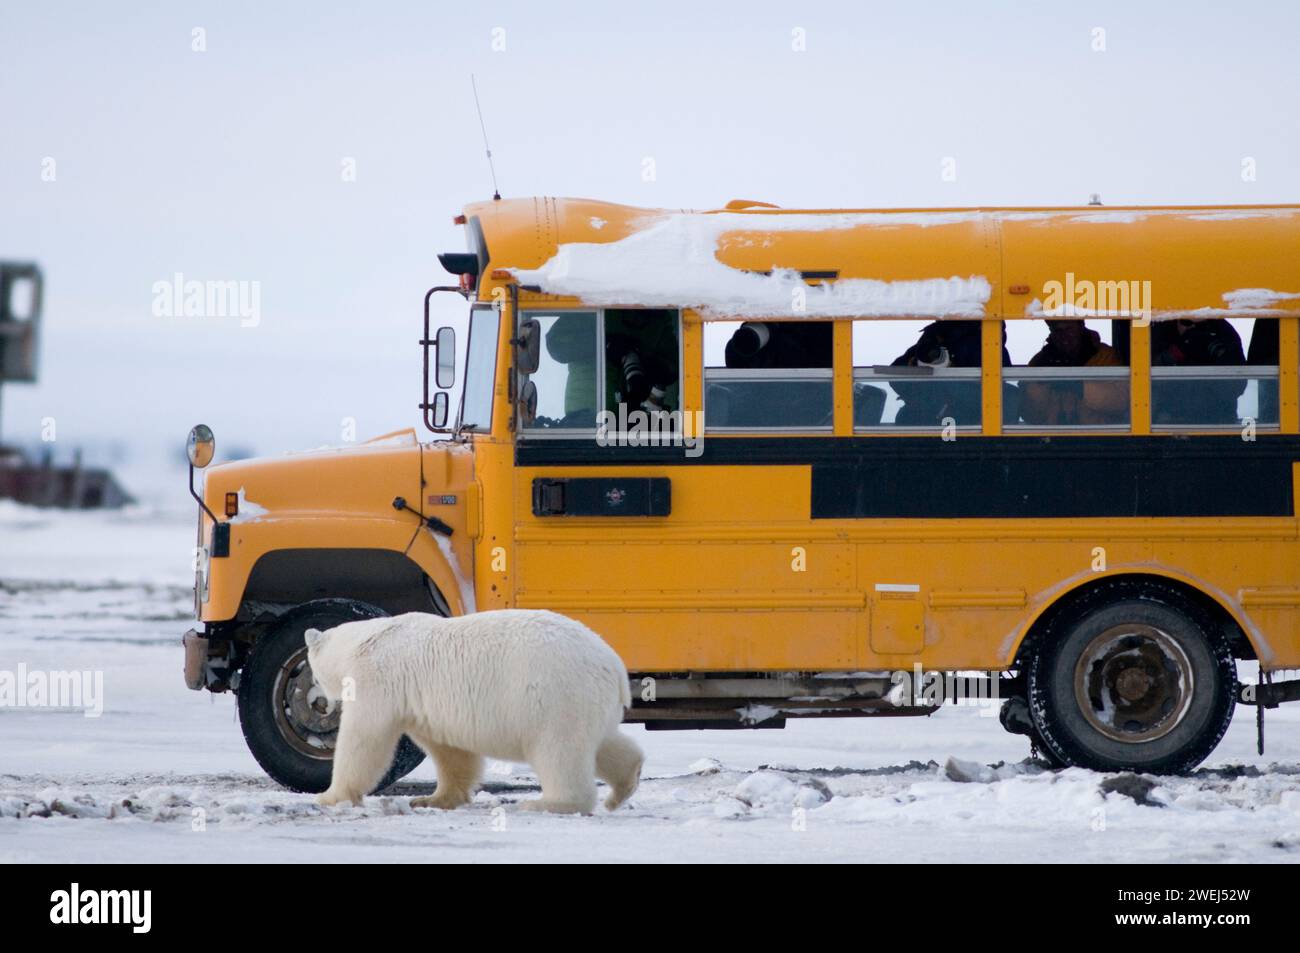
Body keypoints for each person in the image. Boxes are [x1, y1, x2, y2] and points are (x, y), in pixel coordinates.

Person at [890, 320, 1007, 427]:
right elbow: (894, 374)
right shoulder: (930, 340)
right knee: (906, 419)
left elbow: (1001, 381)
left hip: (966, 410)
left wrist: (953, 379)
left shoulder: (985, 344)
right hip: (930, 407)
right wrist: (914, 365)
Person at [1018, 320, 1126, 426]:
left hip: (1101, 436)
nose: (1064, 336)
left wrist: (1080, 387)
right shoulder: (1039, 362)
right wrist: (1042, 388)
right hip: (1053, 437)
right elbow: (1030, 415)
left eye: (1069, 329)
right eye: (1058, 330)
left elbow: (1121, 401)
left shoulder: (1106, 356)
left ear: (1081, 327)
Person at [1151, 318, 1246, 425]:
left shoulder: (1224, 333)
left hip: (1218, 421)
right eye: (1186, 322)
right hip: (1169, 421)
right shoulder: (1162, 333)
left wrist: (1217, 353)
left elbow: (1238, 385)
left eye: (1202, 326)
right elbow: (1146, 380)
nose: (1193, 329)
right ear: (1176, 319)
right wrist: (1177, 351)